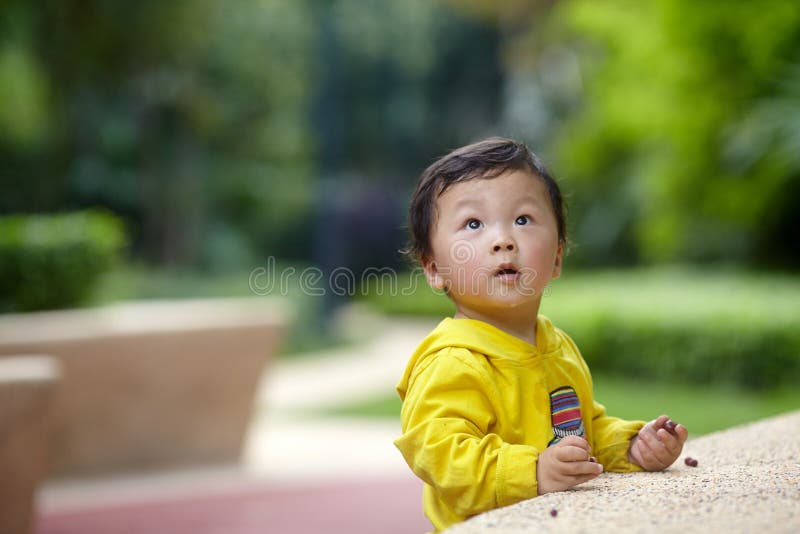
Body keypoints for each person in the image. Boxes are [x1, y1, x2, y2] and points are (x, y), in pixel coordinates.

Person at [394, 137, 688, 531]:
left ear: (557, 258)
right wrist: (533, 471)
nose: (503, 240)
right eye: (473, 224)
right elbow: (442, 456)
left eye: (522, 220)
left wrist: (632, 447)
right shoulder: (452, 361)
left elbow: (584, 429)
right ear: (434, 269)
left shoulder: (557, 347)